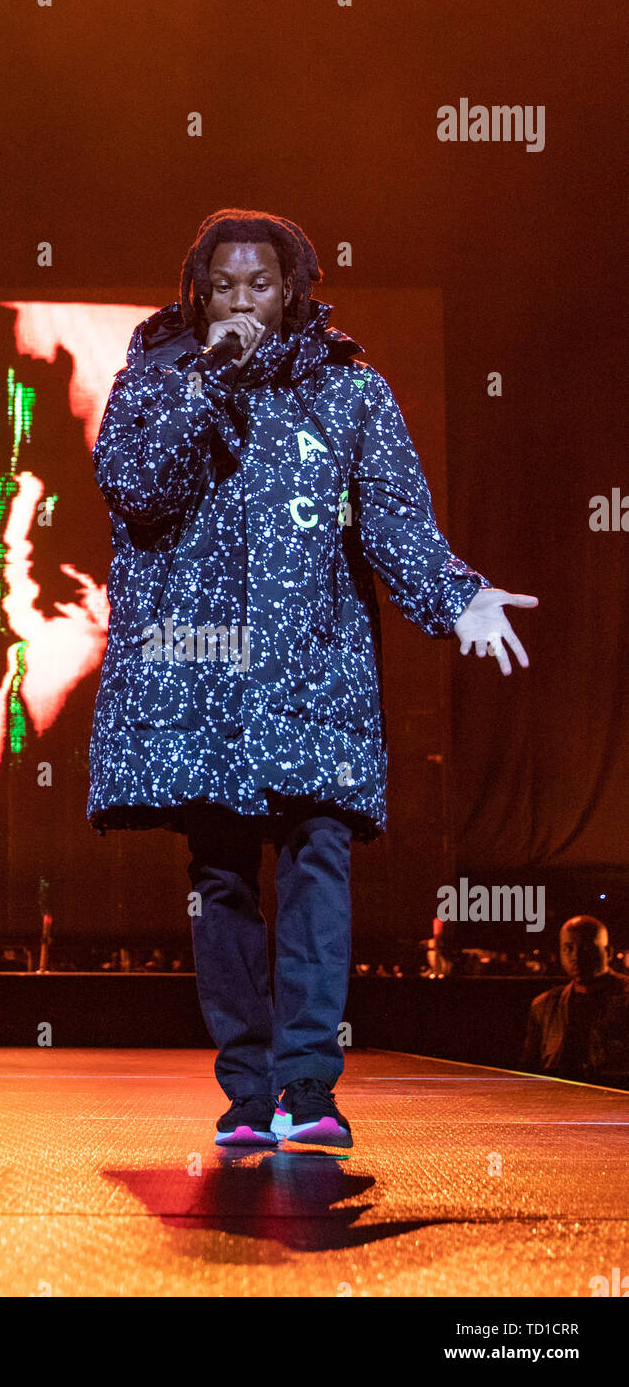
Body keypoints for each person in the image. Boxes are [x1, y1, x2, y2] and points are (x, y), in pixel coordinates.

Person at [87, 208, 537, 1147]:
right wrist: (207, 383)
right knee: (221, 880)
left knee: (319, 860)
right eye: (223, 284)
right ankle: (249, 1092)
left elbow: (394, 519)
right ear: (198, 292)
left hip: (312, 669)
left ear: (292, 289)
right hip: (199, 673)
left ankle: (309, 1087)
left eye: (259, 283)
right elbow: (135, 491)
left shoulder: (350, 390)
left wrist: (458, 598)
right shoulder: (157, 379)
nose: (240, 299)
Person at [520, 916, 629, 1088]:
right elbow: (529, 1069)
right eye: (568, 948)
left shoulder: (625, 999)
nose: (576, 956)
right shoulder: (544, 1005)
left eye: (586, 948)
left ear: (608, 952)